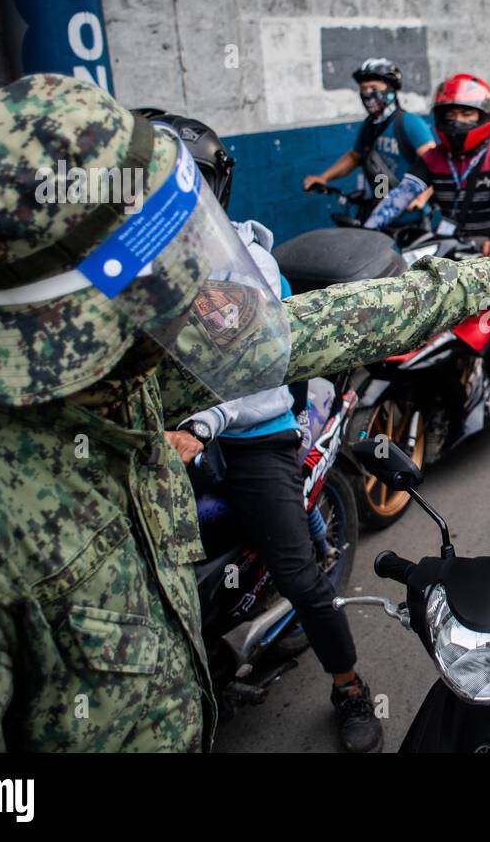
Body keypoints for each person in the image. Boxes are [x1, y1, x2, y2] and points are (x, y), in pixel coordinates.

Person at [0, 73, 490, 752]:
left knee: (301, 573)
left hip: (256, 447)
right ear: (67, 319)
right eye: (153, 271)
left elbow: (301, 330)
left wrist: (484, 274)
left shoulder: (97, 363)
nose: (181, 296)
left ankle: (346, 678)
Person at [141, 111, 382, 753]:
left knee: (300, 575)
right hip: (163, 440)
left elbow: (256, 377)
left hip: (250, 433)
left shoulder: (245, 263)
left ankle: (350, 687)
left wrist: (202, 423)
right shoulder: (121, 266)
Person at [364, 73, 490, 410]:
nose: (457, 121)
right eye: (449, 114)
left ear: (484, 116)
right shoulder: (432, 158)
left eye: (467, 114)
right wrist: (366, 231)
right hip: (451, 251)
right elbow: (400, 197)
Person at [302, 58, 434, 219]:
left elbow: (435, 164)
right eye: (364, 89)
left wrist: (421, 198)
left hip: (412, 214)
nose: (368, 94)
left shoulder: (409, 123)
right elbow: (354, 157)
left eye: (374, 87)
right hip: (381, 211)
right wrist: (324, 177)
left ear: (391, 88)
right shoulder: (370, 125)